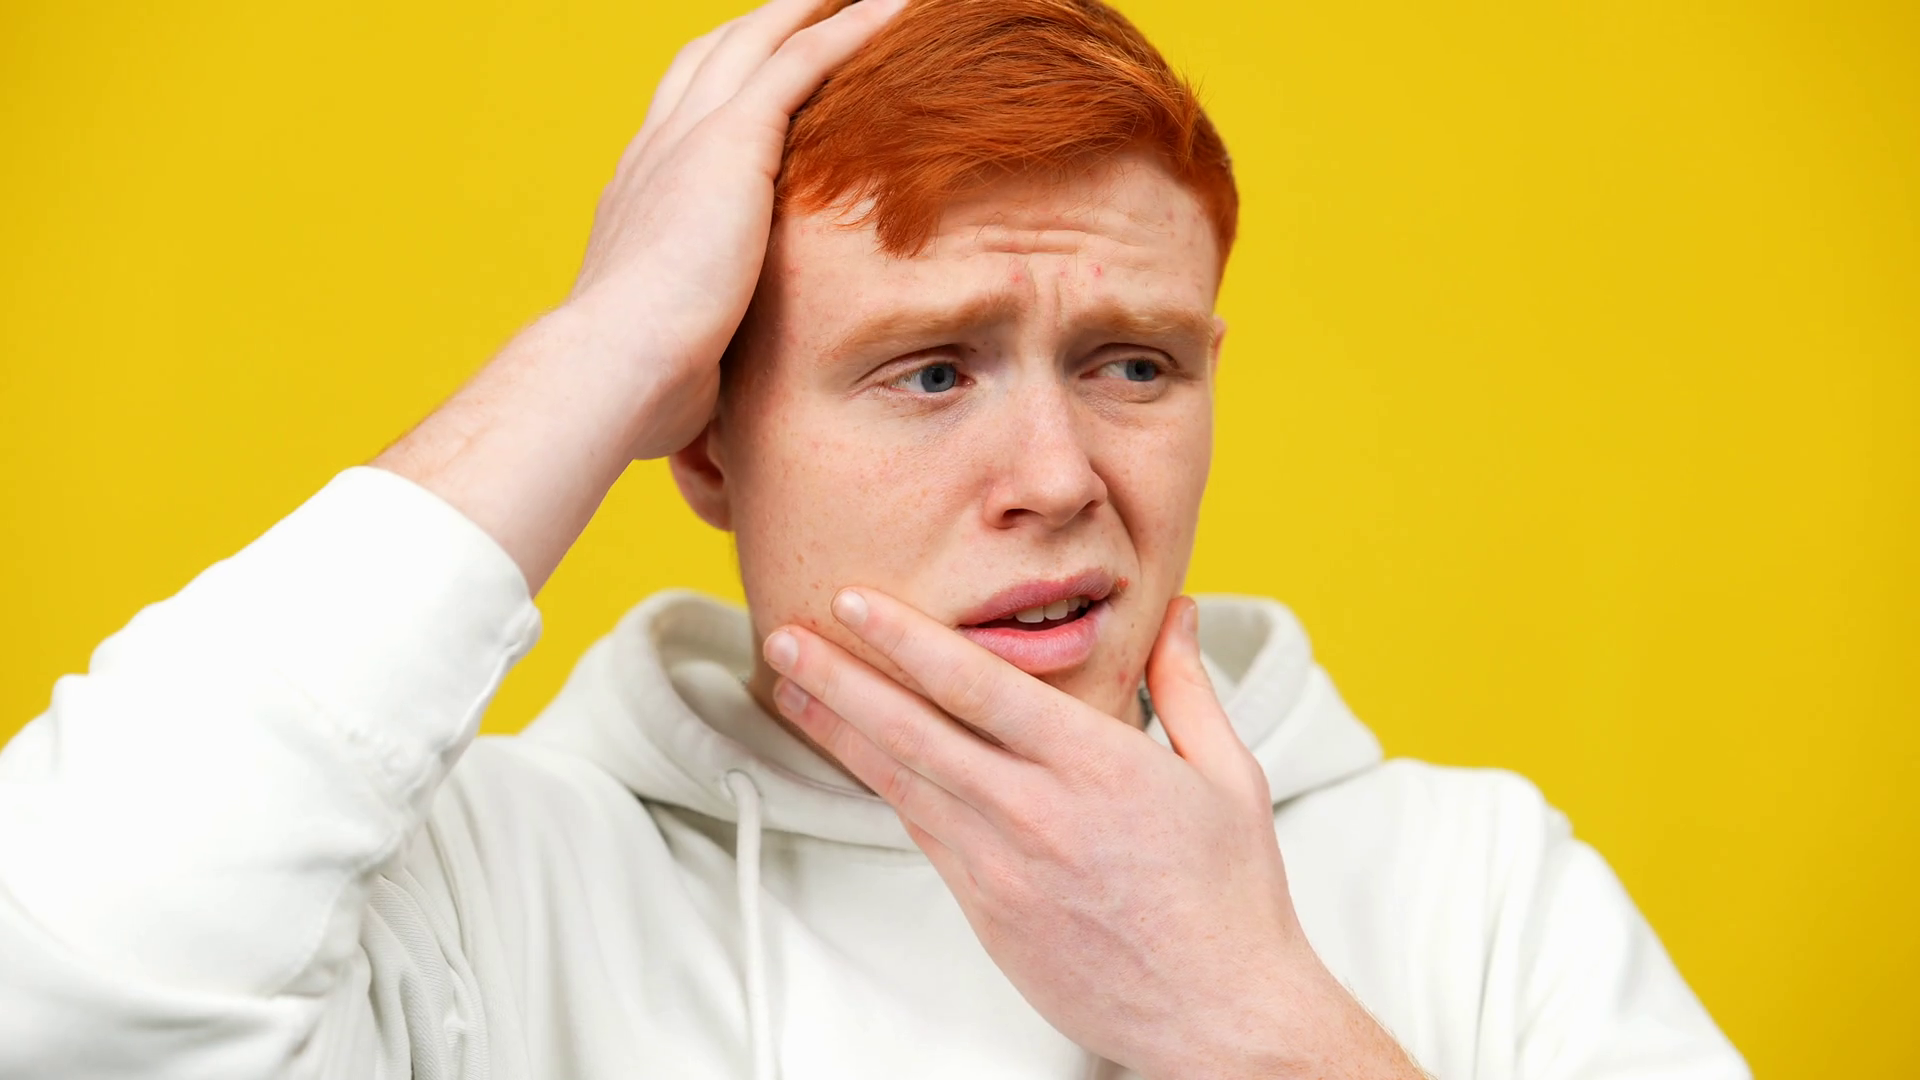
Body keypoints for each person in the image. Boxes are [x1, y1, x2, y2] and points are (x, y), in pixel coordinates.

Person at [0, 0, 1750, 1076]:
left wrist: (1259, 1028)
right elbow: (48, 995)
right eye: (928, 371)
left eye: (1130, 362)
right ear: (696, 443)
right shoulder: (474, 889)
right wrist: (602, 344)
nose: (1058, 475)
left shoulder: (1474, 885)